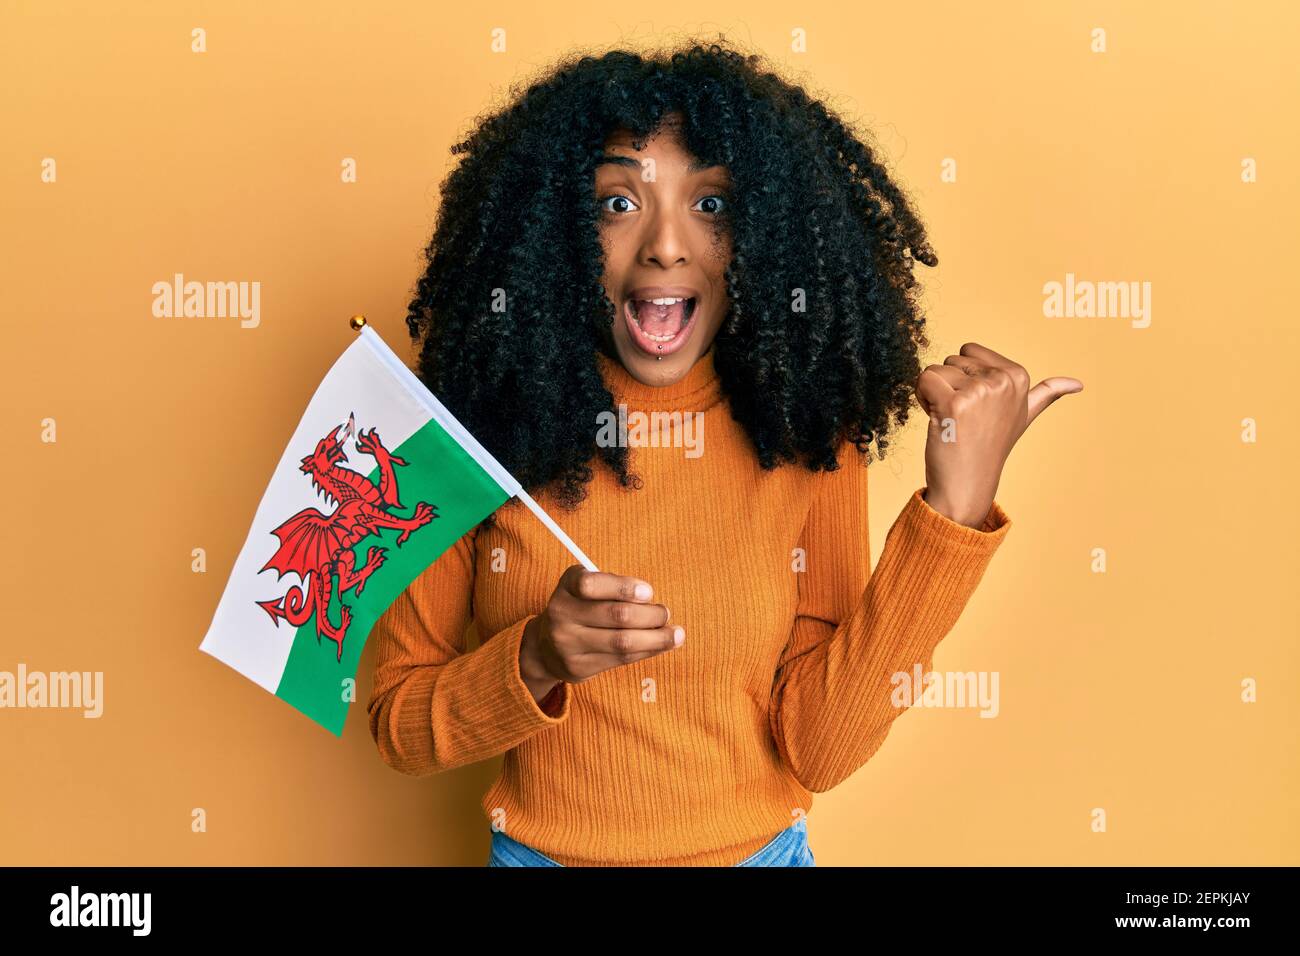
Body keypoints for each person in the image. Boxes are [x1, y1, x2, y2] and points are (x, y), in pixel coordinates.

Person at [367, 38, 1082, 867]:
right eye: (617, 203)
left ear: (763, 234)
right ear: (552, 231)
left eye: (711, 205)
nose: (666, 245)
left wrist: (952, 514)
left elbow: (820, 749)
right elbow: (398, 725)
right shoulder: (468, 437)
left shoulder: (802, 430)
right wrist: (533, 658)